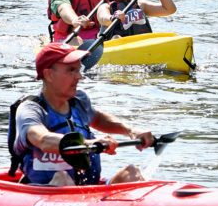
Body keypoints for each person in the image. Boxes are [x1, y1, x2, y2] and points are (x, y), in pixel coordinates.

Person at [9, 42, 156, 186]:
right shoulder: (31, 109)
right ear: (49, 74)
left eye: (78, 70)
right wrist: (89, 143)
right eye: (71, 70)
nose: (79, 76)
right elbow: (42, 139)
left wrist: (130, 130)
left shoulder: (79, 100)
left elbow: (98, 119)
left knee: (132, 173)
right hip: (45, 190)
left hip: (89, 189)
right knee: (62, 179)